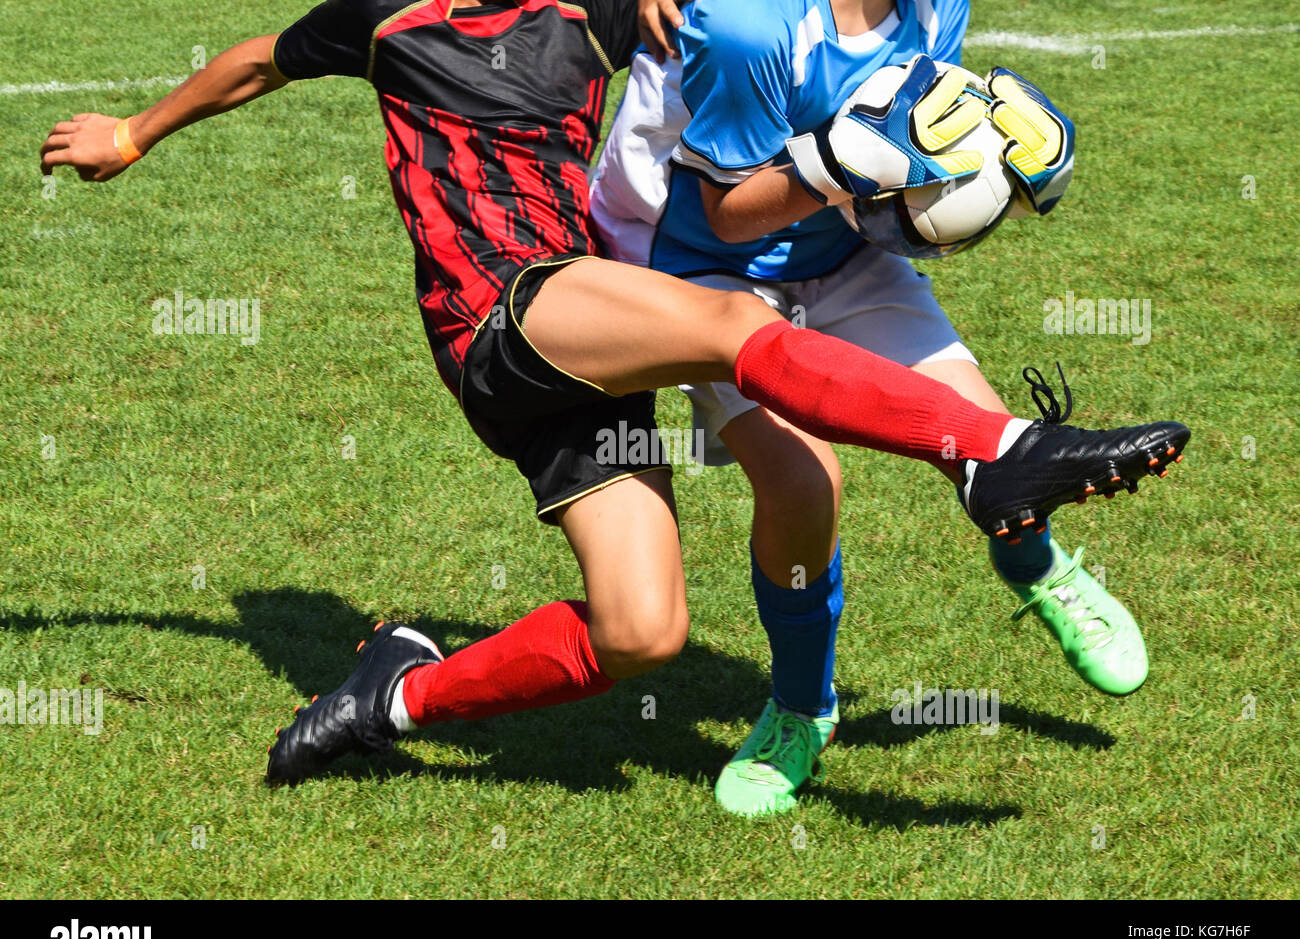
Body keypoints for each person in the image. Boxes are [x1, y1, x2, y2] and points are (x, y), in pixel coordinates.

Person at [39, 0, 1188, 789]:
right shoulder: (388, 19)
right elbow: (261, 57)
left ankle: (394, 693)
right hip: (505, 310)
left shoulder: (592, 12)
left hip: (587, 334)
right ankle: (993, 455)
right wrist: (132, 133)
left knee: (644, 633)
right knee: (742, 341)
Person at [589, 0, 1166, 815]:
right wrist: (839, 165)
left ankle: (1036, 565)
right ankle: (800, 708)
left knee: (993, 442)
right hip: (695, 262)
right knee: (801, 480)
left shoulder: (938, 7)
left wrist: (986, 171)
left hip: (843, 256)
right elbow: (725, 213)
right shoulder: (749, 24)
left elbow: (908, 178)